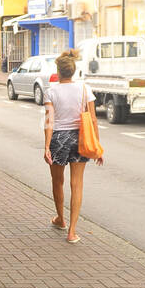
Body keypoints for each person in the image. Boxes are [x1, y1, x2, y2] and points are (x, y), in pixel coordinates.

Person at [44, 49, 103, 243]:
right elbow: (93, 120)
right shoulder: (85, 89)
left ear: (58, 72)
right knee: (76, 184)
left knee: (57, 182)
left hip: (58, 139)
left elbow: (49, 122)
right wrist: (97, 147)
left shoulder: (51, 91)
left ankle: (60, 219)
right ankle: (72, 231)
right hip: (80, 139)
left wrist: (46, 147)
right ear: (73, 70)